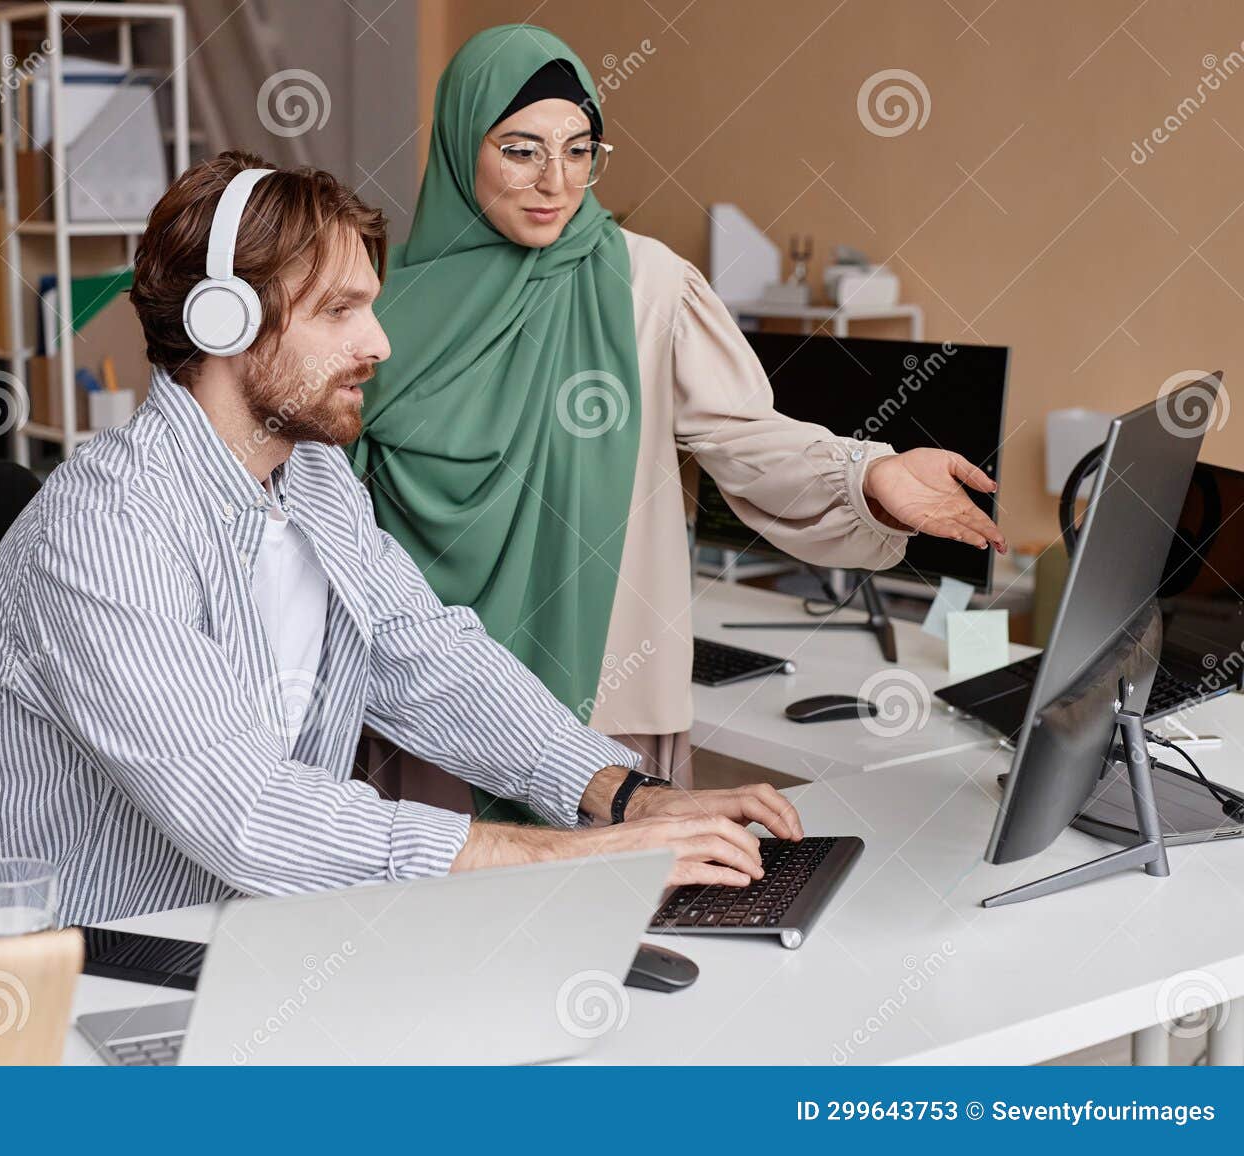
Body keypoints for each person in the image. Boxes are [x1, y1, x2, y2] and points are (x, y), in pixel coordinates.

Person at [0, 151, 811, 929]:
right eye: (340, 311)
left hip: (265, 946)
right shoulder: (104, 528)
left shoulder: (314, 480)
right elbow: (246, 814)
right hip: (93, 974)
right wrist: (574, 859)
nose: (380, 343)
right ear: (221, 322)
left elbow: (428, 660)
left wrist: (625, 797)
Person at [350, 26, 1005, 813]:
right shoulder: (381, 307)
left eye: (580, 148)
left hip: (607, 701)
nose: (555, 180)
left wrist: (869, 473)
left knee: (614, 925)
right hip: (429, 706)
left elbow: (743, 437)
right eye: (521, 150)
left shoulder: (644, 283)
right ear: (463, 147)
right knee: (441, 931)